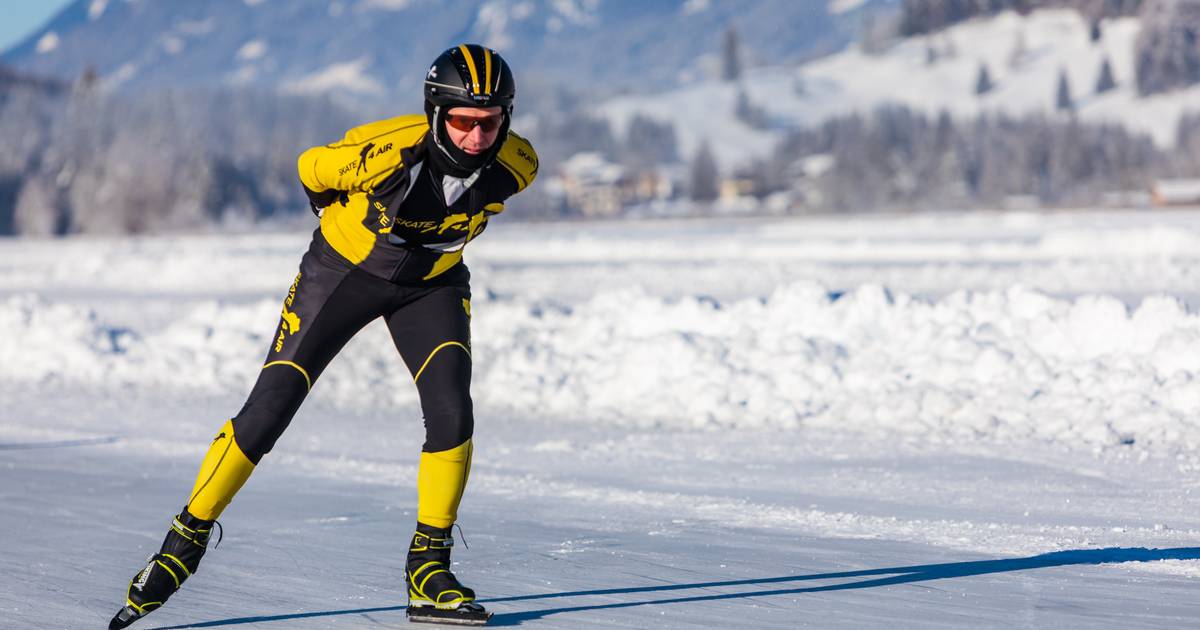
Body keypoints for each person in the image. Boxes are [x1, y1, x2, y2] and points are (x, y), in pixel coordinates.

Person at [109, 43, 538, 629]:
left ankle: (428, 569)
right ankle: (181, 544)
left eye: (489, 123)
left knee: (453, 412)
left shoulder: (519, 164)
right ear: (436, 113)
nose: (476, 137)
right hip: (342, 274)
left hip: (432, 284)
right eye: (463, 121)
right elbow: (311, 169)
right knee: (270, 408)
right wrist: (335, 216)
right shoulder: (386, 152)